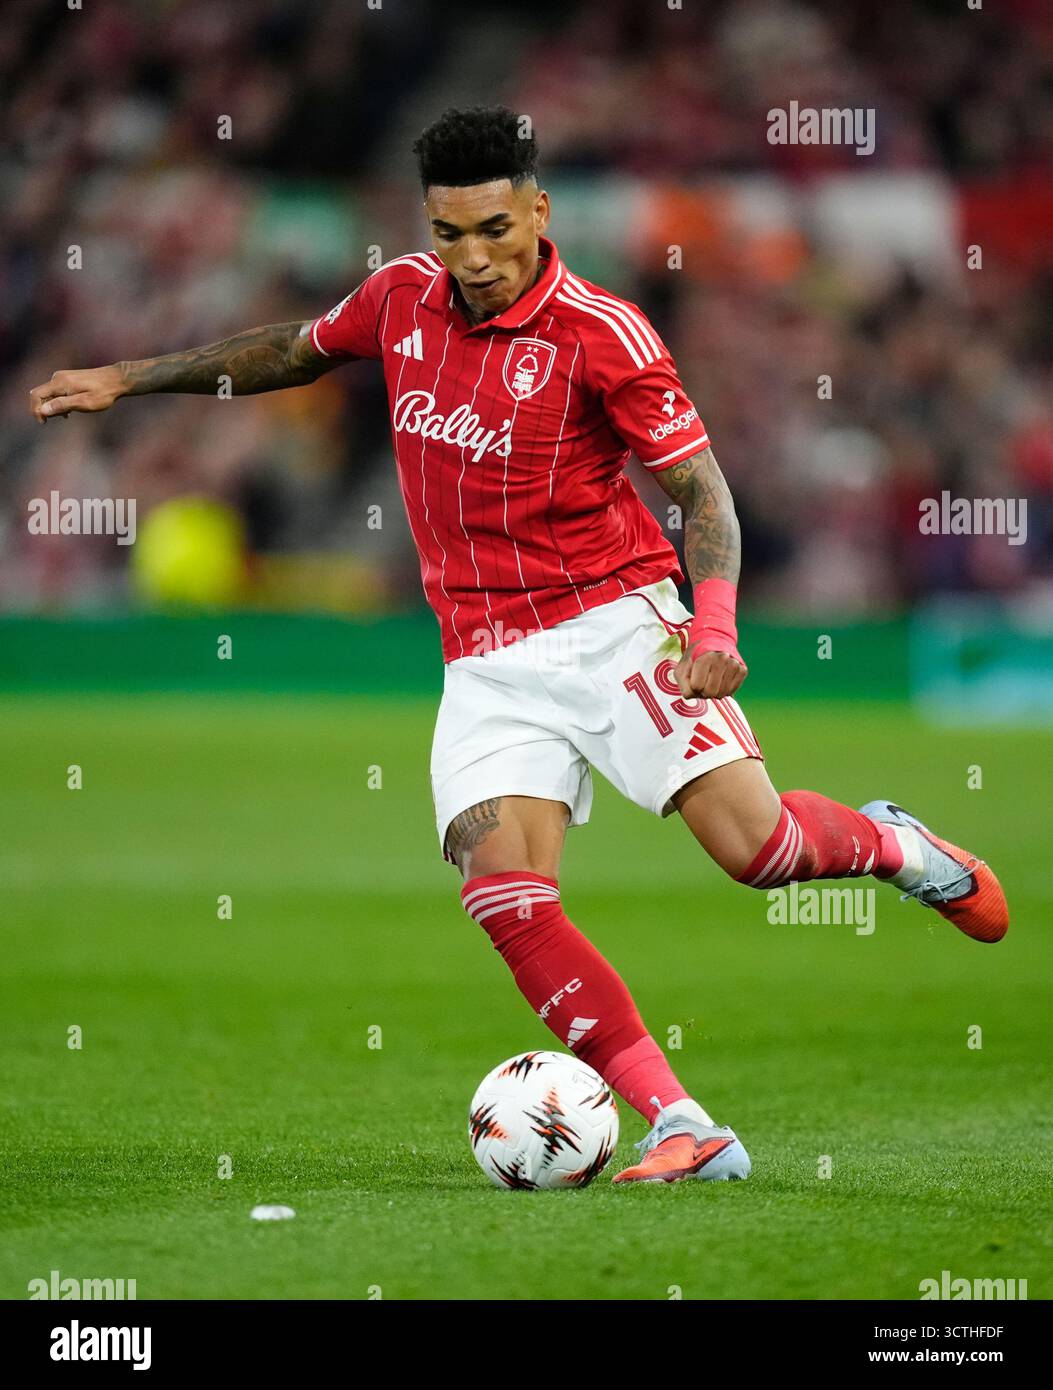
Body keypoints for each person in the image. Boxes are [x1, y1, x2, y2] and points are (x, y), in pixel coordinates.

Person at [29, 105, 1008, 1186]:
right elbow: (289, 353)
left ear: (539, 211)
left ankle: (896, 846)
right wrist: (129, 378)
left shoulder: (605, 333)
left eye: (495, 228)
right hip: (486, 661)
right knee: (503, 891)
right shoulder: (401, 296)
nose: (474, 256)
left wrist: (717, 626)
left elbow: (707, 497)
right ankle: (683, 1122)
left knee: (760, 854)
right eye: (451, 232)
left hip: (616, 623)